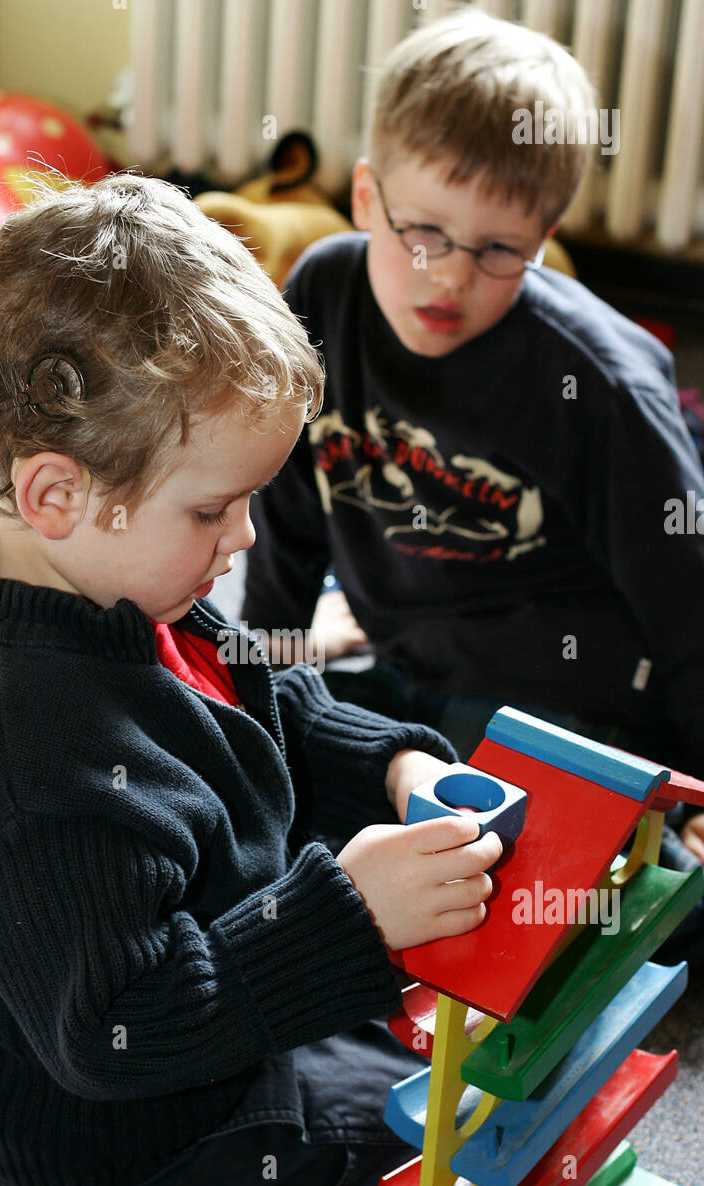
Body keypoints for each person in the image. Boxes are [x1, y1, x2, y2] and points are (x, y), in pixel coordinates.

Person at [0, 172, 503, 1186]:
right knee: (435, 1153)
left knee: (415, 1043)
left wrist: (390, 761)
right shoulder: (27, 771)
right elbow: (121, 1029)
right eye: (210, 510)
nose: (243, 537)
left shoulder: (119, 591)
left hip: (186, 998)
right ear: (55, 493)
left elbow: (269, 703)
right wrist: (346, 913)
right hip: (131, 1144)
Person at [241, 9, 704, 962]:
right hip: (412, 672)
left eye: (499, 251)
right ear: (367, 195)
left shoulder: (600, 385)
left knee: (607, 925)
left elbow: (690, 610)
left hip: (573, 708)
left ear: (548, 232)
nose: (448, 277)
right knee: (251, 825)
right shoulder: (322, 293)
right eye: (423, 232)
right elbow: (283, 524)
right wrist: (263, 687)